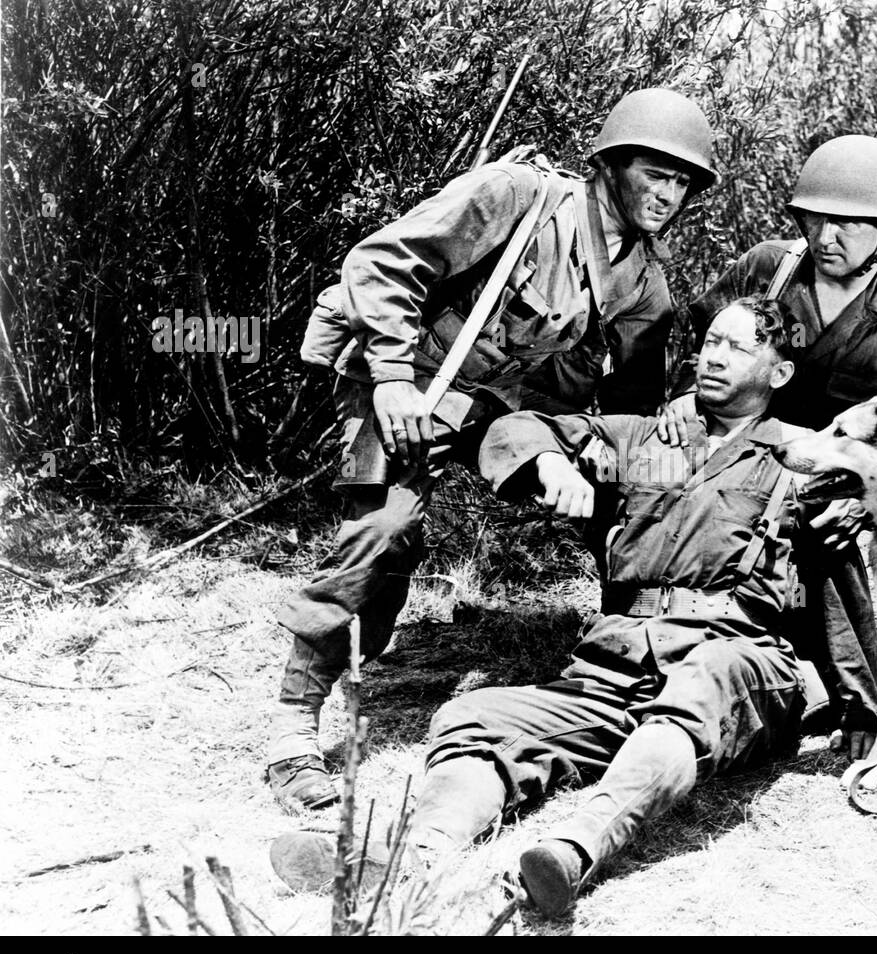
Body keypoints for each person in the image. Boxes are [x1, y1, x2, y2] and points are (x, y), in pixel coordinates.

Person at [268, 89, 718, 811]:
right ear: (610, 163)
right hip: (406, 372)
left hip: (497, 408)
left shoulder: (643, 283)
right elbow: (380, 265)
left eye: (681, 182)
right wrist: (388, 379)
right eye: (654, 172)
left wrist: (588, 455)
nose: (667, 194)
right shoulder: (519, 198)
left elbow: (625, 410)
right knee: (385, 532)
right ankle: (294, 723)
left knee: (616, 499)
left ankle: (623, 678)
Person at [400, 297, 821, 917]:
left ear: (779, 373)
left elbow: (868, 569)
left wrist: (865, 709)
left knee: (707, 679)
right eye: (709, 341)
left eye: (738, 346)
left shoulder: (806, 458)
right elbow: (515, 429)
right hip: (615, 671)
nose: (713, 355)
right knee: (477, 715)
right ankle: (418, 855)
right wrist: (551, 461)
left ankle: (575, 850)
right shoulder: (641, 439)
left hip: (735, 661)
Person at [660, 134, 877, 760]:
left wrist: (868, 507)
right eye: (815, 218)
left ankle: (862, 703)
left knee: (826, 528)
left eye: (848, 224)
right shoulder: (768, 269)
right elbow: (704, 338)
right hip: (747, 452)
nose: (826, 235)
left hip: (847, 479)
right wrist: (682, 401)